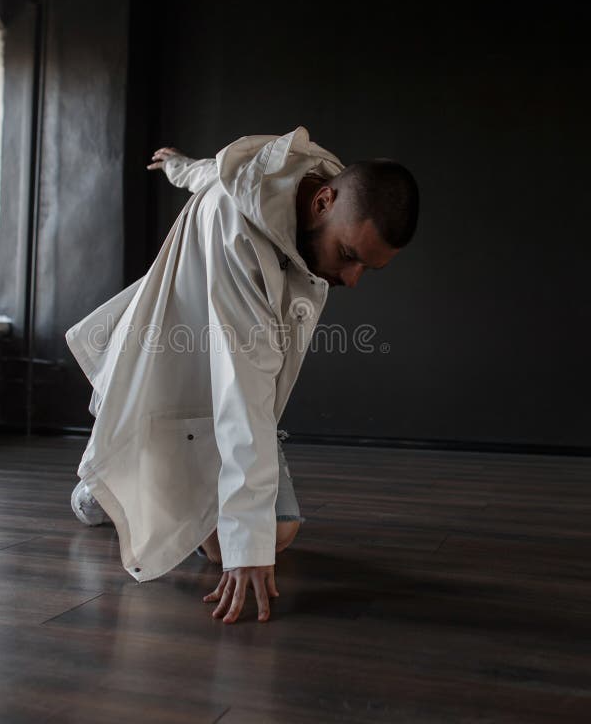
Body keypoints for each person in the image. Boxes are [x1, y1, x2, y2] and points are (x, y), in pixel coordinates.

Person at [65, 125, 418, 624]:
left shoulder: (301, 177)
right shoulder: (238, 235)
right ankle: (102, 490)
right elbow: (242, 390)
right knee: (233, 543)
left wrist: (179, 167)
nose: (351, 279)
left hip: (235, 389)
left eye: (367, 268)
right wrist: (245, 551)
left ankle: (139, 482)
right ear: (323, 204)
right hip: (183, 367)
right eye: (348, 256)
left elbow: (218, 171)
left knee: (280, 532)